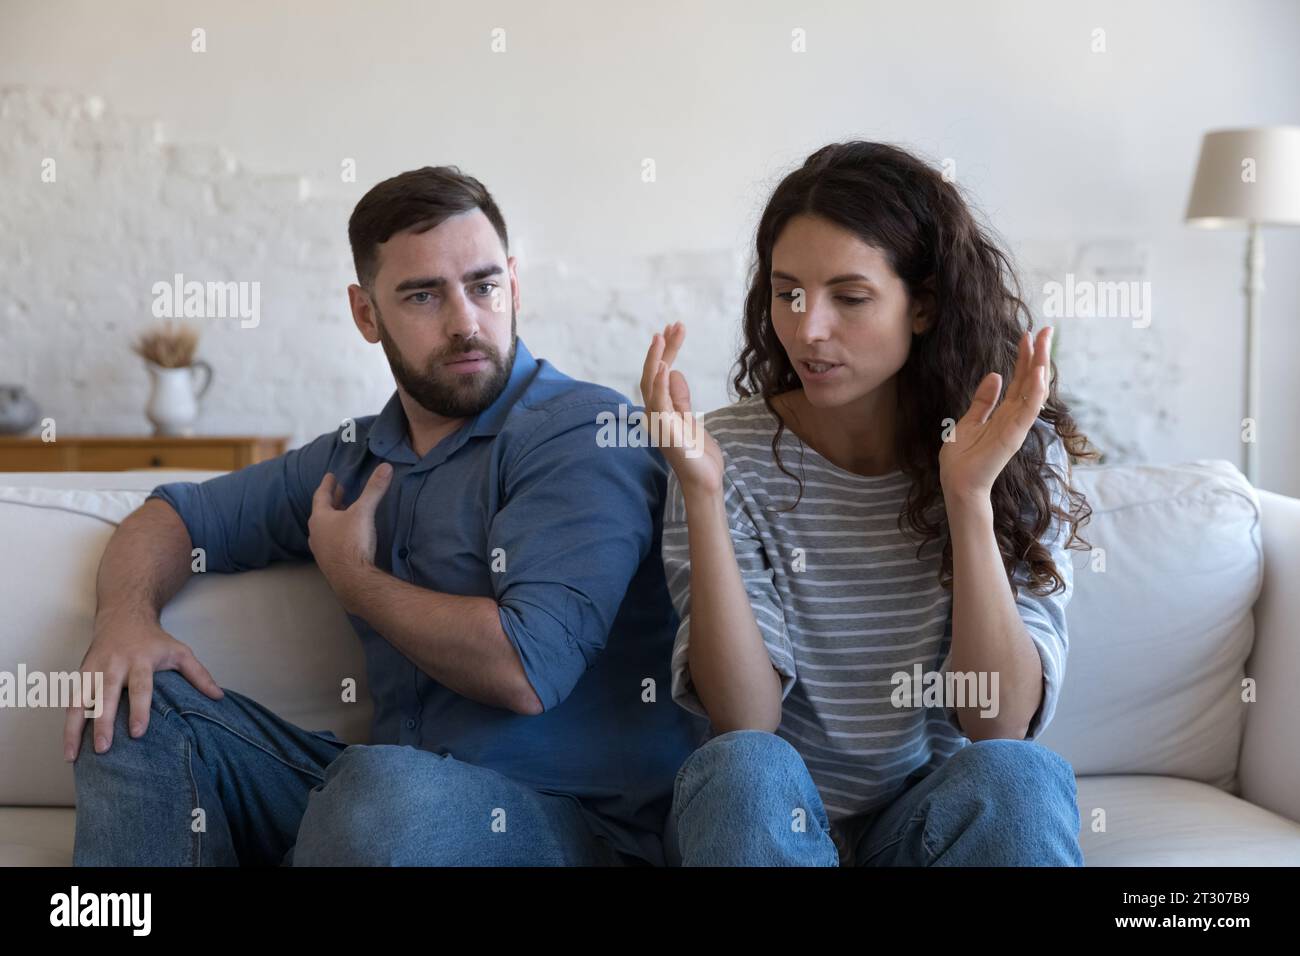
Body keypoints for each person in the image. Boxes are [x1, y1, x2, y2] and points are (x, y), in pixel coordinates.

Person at [68, 165, 703, 866]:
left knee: (385, 792)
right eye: (424, 295)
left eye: (484, 285)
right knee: (134, 702)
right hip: (378, 808)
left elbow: (527, 669)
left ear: (514, 286)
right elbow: (171, 516)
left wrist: (353, 577)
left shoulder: (581, 432)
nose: (465, 321)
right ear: (366, 313)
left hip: (571, 828)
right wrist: (124, 622)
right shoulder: (353, 456)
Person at [642, 141, 1096, 866]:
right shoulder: (723, 453)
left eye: (848, 298)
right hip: (767, 822)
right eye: (787, 292)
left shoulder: (1010, 448)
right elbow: (744, 722)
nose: (807, 328)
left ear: (923, 306)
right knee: (743, 769)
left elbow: (998, 722)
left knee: (1018, 777)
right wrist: (702, 492)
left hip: (921, 825)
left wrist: (968, 498)